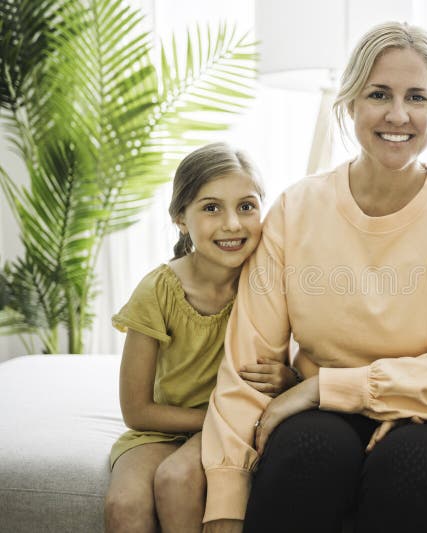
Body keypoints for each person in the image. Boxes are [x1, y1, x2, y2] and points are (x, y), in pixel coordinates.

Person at [200, 22, 427, 533]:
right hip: (326, 415)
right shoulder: (297, 209)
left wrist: (320, 387)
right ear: (348, 103)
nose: (398, 114)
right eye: (379, 94)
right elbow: (248, 367)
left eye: (417, 97)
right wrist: (226, 500)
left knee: (406, 468)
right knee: (307, 453)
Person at [104, 143, 299, 532]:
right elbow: (136, 410)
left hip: (231, 427)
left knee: (177, 480)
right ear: (180, 218)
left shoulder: (270, 285)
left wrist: (290, 381)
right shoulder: (158, 291)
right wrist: (211, 418)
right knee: (123, 505)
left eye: (246, 206)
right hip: (163, 428)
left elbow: (303, 365)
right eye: (211, 208)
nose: (232, 224)